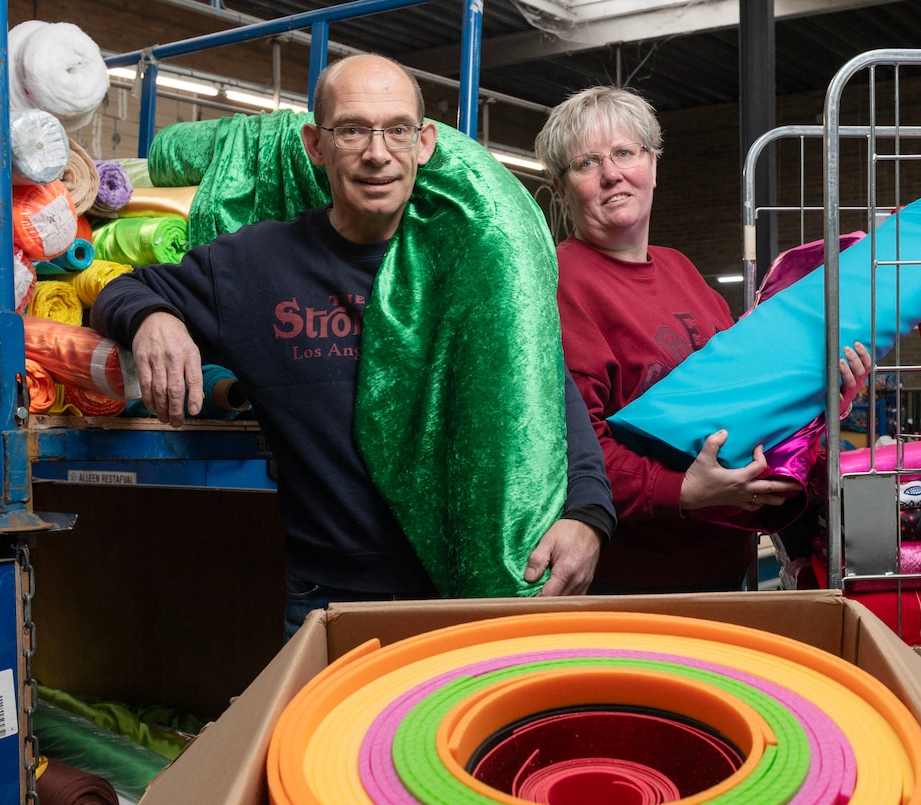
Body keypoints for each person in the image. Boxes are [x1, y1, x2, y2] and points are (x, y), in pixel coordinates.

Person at [93, 54, 615, 639]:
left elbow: (545, 384)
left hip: (472, 587)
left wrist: (588, 515)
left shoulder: (470, 254)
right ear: (315, 145)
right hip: (330, 603)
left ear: (425, 144)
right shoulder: (256, 264)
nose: (376, 153)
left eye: (396, 129)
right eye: (352, 130)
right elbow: (118, 289)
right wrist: (153, 320)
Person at [534, 86, 871, 594]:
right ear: (562, 190)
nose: (611, 174)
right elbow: (571, 447)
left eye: (625, 153)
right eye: (586, 163)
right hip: (633, 581)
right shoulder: (561, 283)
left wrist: (826, 395)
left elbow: (749, 396)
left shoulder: (681, 270)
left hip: (722, 562)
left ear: (652, 164)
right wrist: (683, 491)